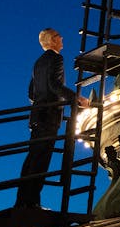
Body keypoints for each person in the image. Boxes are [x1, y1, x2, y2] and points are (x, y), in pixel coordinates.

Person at [15, 28, 89, 210]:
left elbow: (31, 92)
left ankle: (22, 201)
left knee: (32, 158)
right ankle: (32, 203)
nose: (62, 38)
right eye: (58, 36)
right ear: (51, 41)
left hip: (37, 114)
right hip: (48, 117)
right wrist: (77, 99)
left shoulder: (38, 62)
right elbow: (54, 85)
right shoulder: (56, 58)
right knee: (41, 160)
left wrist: (40, 103)